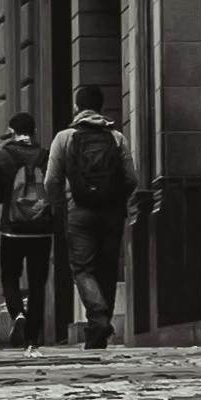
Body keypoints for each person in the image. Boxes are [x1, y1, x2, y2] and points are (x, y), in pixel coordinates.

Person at [49, 83, 140, 347]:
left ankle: (98, 319)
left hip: (78, 210)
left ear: (77, 107)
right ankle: (99, 327)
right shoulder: (116, 138)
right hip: (112, 212)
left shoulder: (64, 138)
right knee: (108, 268)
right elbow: (131, 178)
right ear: (101, 107)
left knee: (83, 268)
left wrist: (60, 206)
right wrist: (116, 198)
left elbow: (51, 180)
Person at [0, 109, 53, 351]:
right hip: (42, 229)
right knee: (38, 282)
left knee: (9, 275)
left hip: (12, 229)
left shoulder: (2, 157)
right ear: (34, 131)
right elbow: (55, 188)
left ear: (12, 132)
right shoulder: (46, 156)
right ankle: (33, 338)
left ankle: (17, 313)